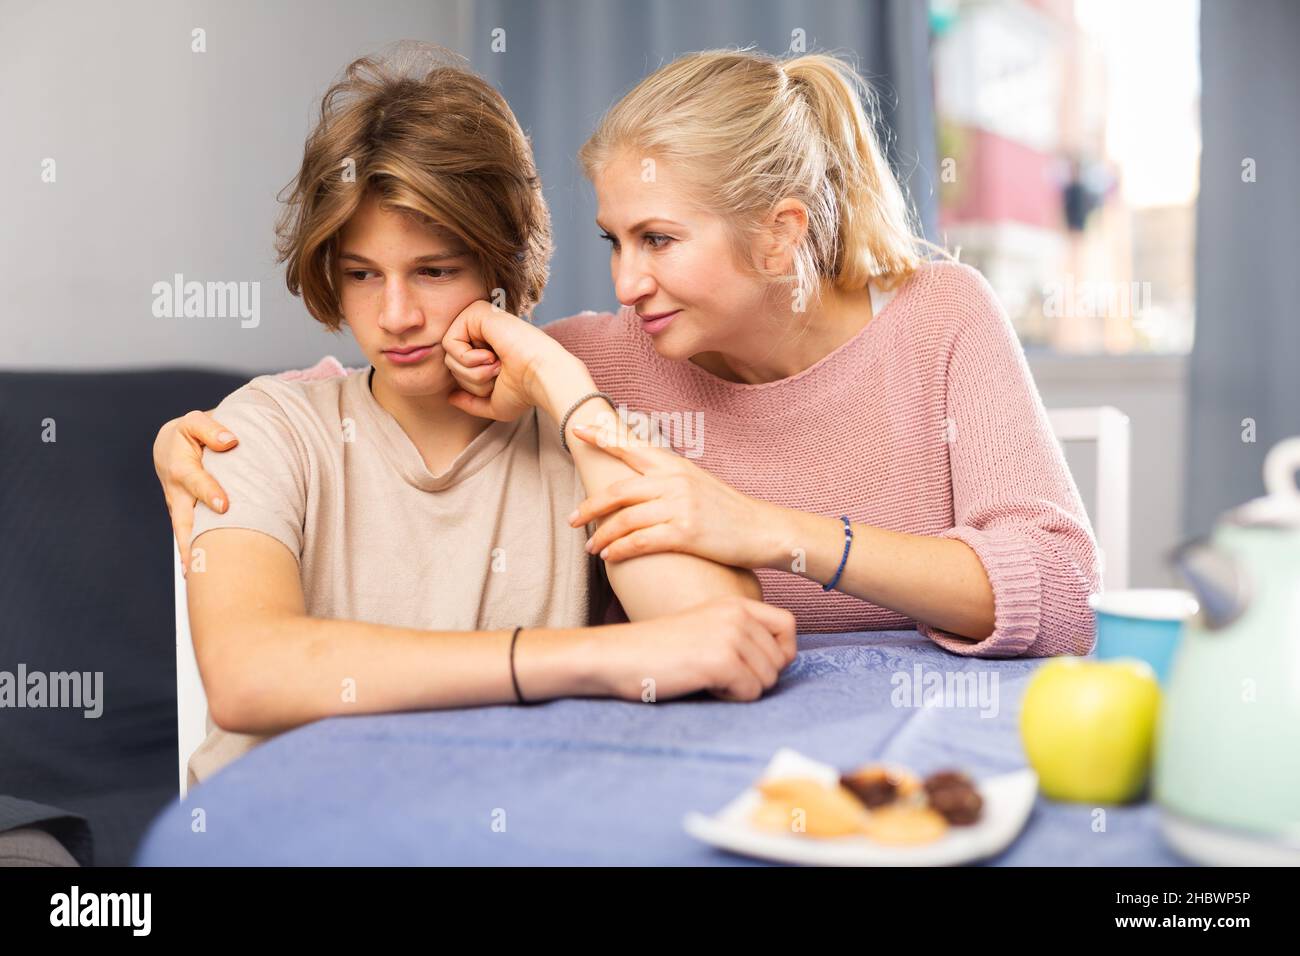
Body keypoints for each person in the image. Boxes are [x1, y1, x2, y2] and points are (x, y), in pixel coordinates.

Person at [159, 48, 1100, 663]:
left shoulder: (941, 318)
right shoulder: (598, 362)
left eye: (657, 240)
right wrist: (221, 433)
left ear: (779, 236)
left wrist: (772, 530)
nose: (625, 284)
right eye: (613, 243)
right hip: (719, 750)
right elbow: (409, 377)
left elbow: (1059, 595)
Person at [177, 51, 796, 789]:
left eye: (434, 272)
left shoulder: (590, 438)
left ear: (502, 270)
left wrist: (565, 391)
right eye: (362, 274)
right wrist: (592, 660)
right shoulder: (264, 429)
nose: (397, 317)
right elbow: (249, 675)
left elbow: (726, 643)